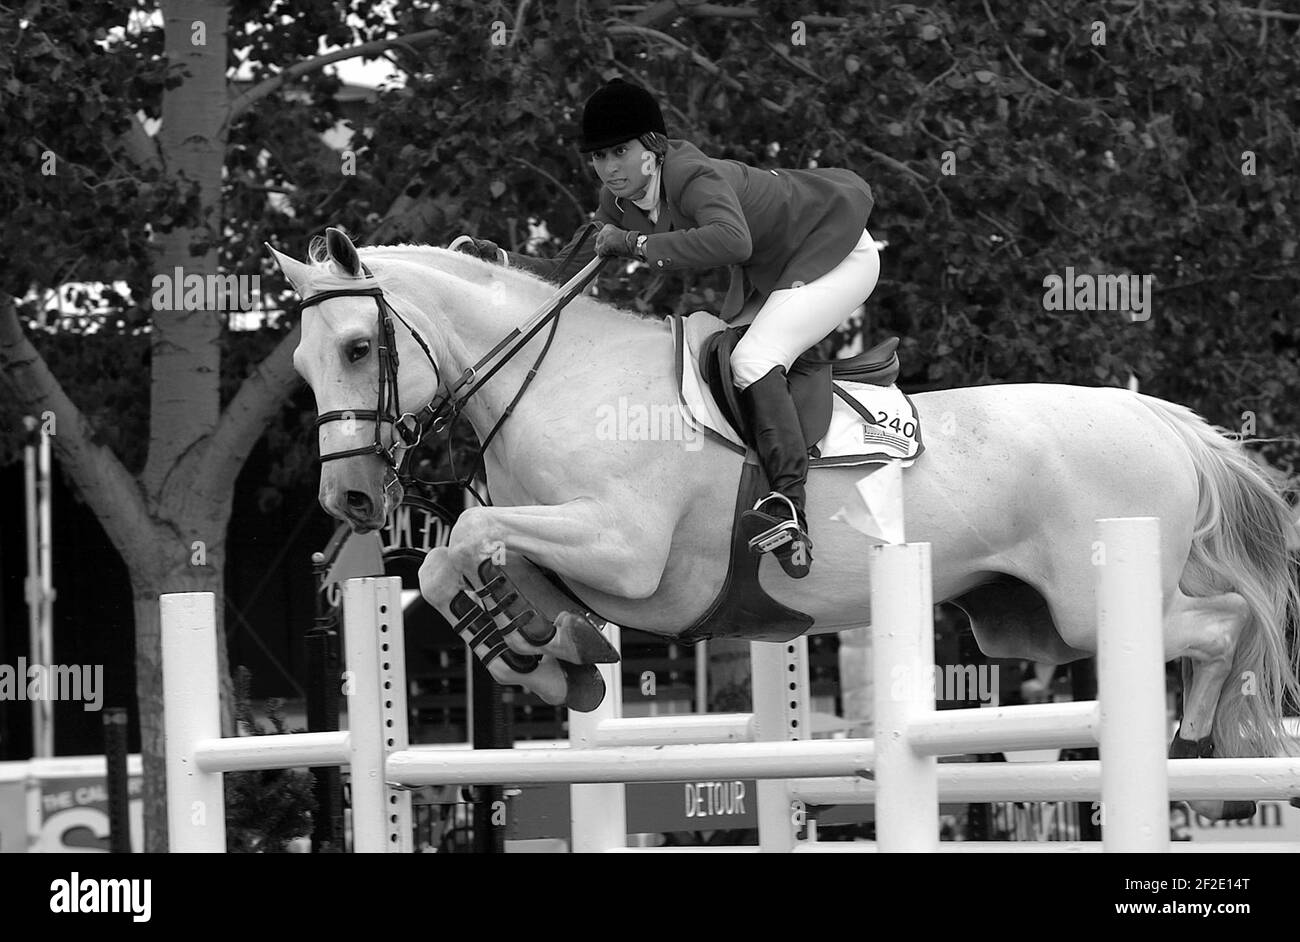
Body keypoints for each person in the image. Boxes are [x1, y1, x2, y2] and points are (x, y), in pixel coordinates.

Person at [456, 78, 882, 579]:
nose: (609, 167)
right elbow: (574, 271)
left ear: (653, 147)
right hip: (776, 269)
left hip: (837, 254)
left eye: (620, 152)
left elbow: (733, 242)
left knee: (752, 360)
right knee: (717, 357)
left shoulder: (691, 176)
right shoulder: (618, 199)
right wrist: (502, 262)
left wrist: (636, 245)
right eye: (598, 157)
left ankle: (790, 506)